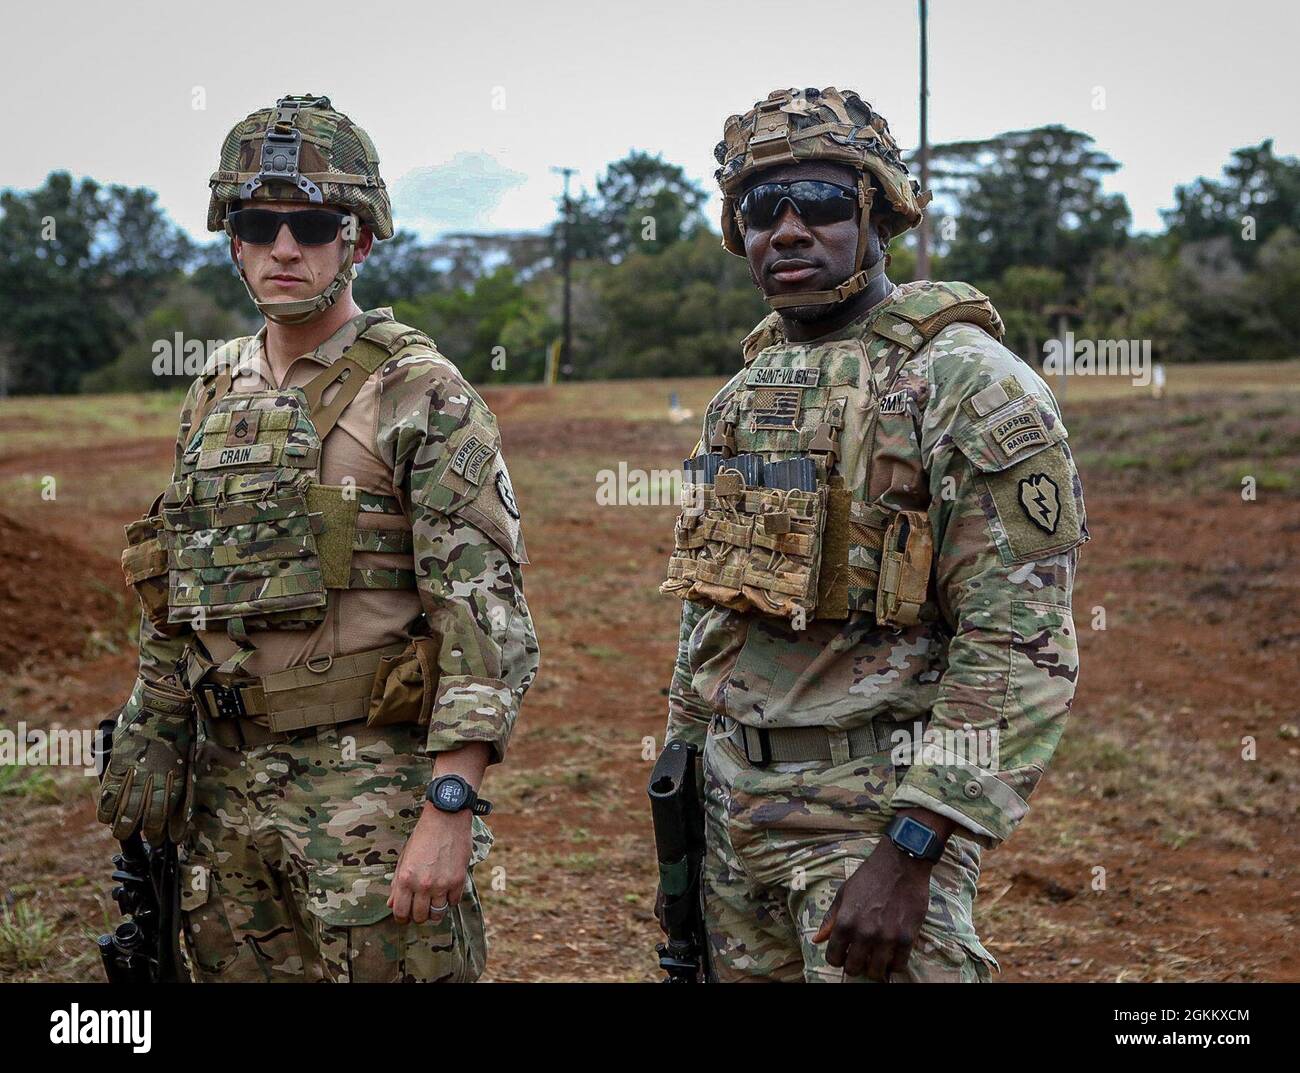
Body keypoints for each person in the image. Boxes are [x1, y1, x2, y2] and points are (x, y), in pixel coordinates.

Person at [98, 94, 539, 982]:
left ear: (360, 239)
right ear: (233, 238)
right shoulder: (216, 387)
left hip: (369, 795)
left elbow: (484, 620)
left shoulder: (424, 391)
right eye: (259, 224)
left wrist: (450, 803)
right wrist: (155, 724)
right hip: (225, 790)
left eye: (312, 225)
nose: (284, 247)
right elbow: (182, 573)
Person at [660, 87, 1088, 982]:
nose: (786, 230)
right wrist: (683, 768)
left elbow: (1017, 642)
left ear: (876, 212)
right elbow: (714, 610)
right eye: (758, 210)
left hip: (876, 817)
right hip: (737, 812)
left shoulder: (967, 384)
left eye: (816, 203)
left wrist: (912, 844)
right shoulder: (747, 393)